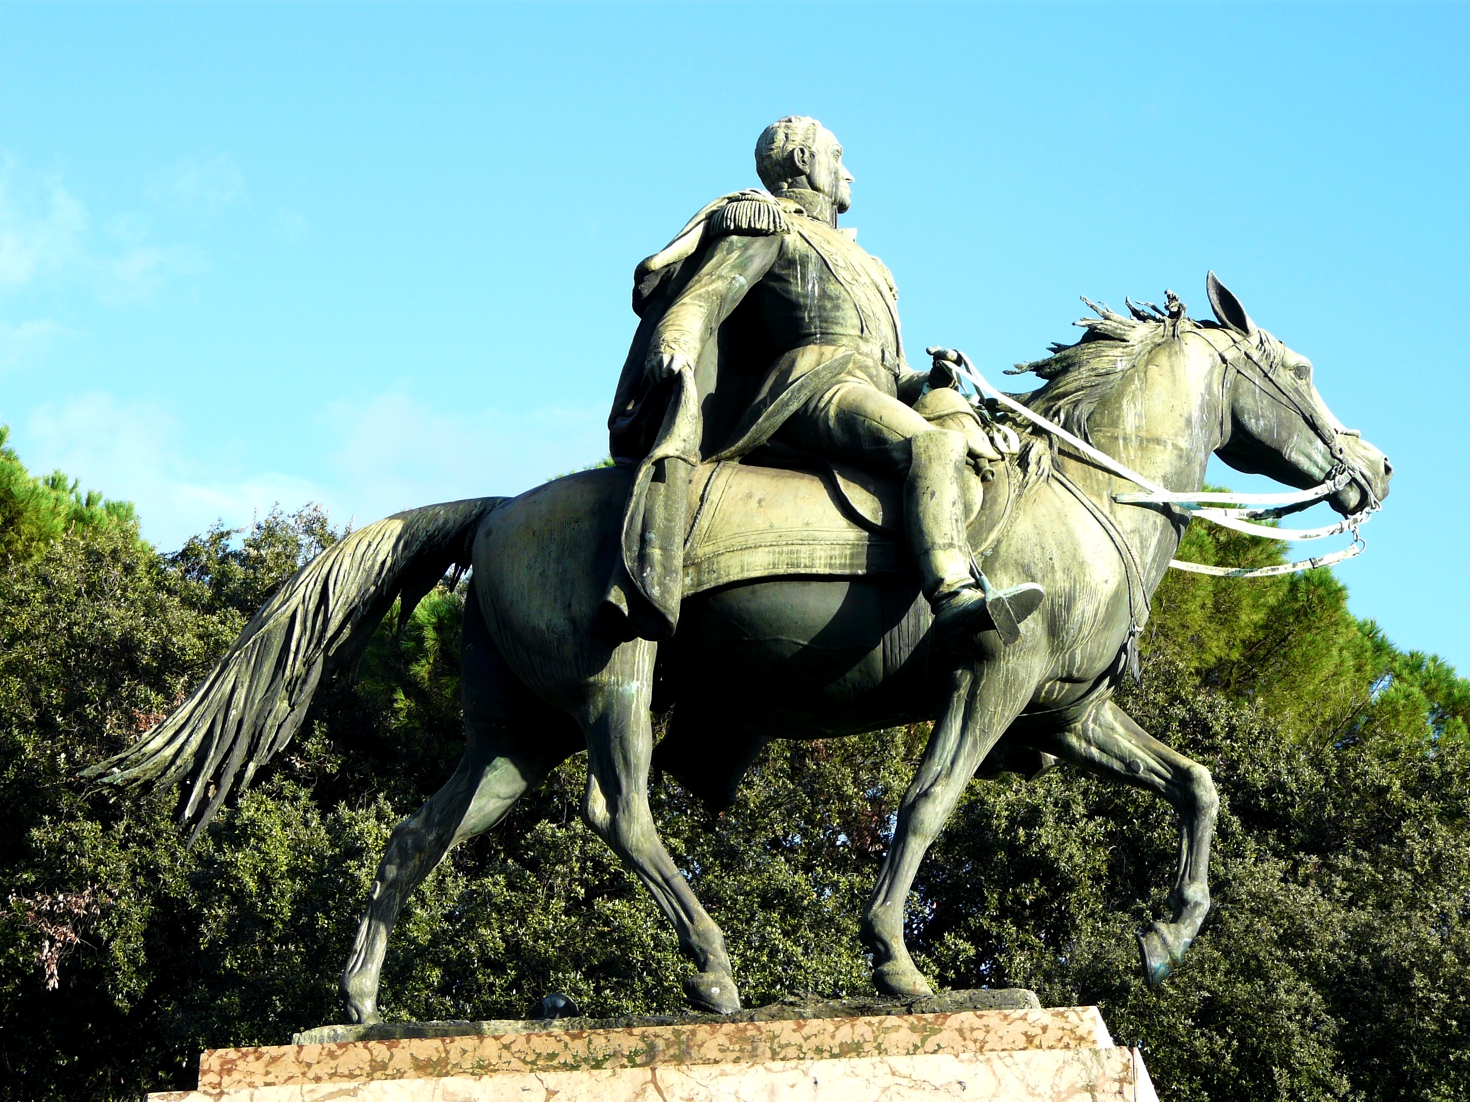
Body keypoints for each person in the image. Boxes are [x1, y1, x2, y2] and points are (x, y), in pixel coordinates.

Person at [603, 116, 1043, 648]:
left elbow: (886, 362)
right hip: (815, 386)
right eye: (838, 157)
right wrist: (673, 342)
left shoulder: (869, 263)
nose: (850, 174)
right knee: (933, 445)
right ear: (804, 162)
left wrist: (929, 378)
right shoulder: (769, 224)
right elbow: (706, 296)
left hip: (873, 386)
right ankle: (953, 592)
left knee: (968, 427)